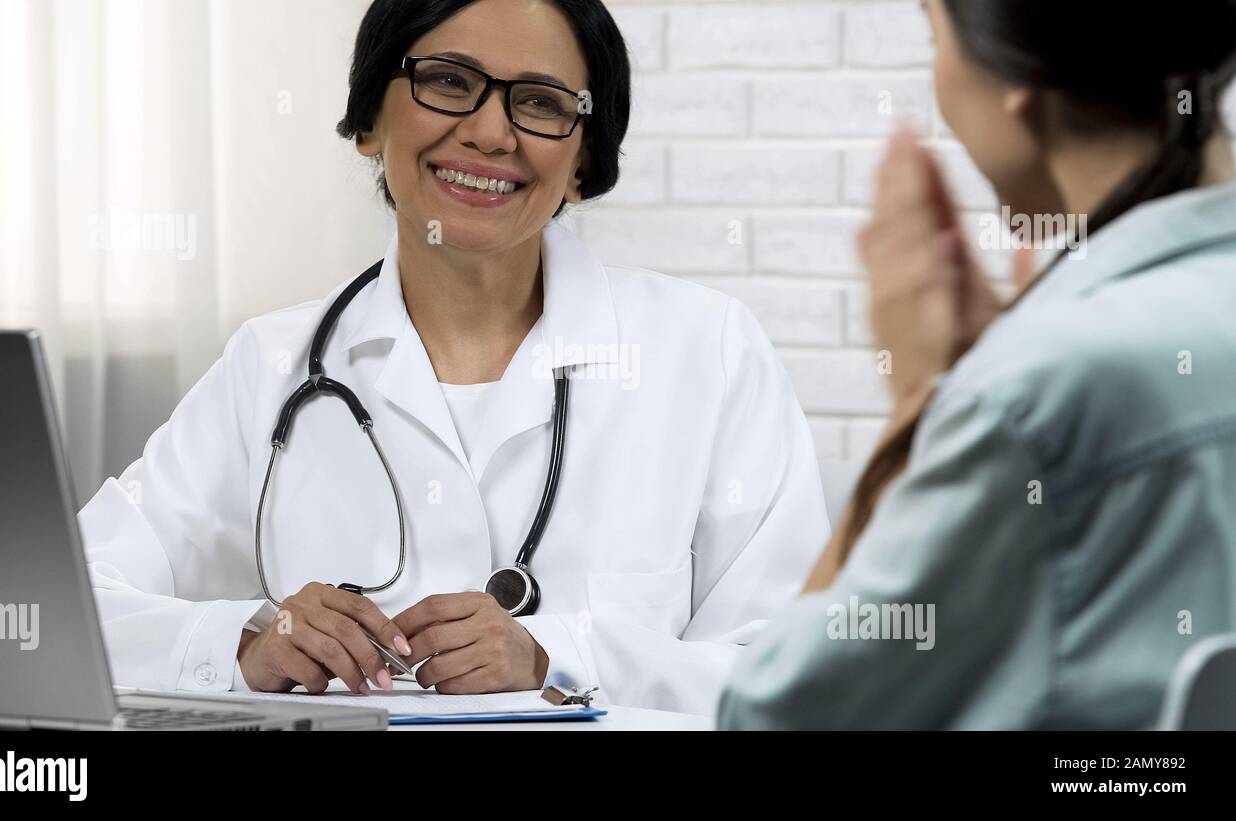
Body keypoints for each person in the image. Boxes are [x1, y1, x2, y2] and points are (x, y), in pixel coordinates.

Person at [78, 0, 829, 716]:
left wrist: (558, 658)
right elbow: (60, 603)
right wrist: (239, 641)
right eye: (447, 81)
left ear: (581, 158)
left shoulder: (709, 354)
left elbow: (801, 682)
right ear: (370, 119)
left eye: (538, 101)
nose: (491, 132)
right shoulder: (268, 366)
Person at [719, 0, 1236, 729]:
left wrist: (920, 405)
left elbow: (774, 714)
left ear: (1016, 78)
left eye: (935, 34)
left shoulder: (1038, 392)